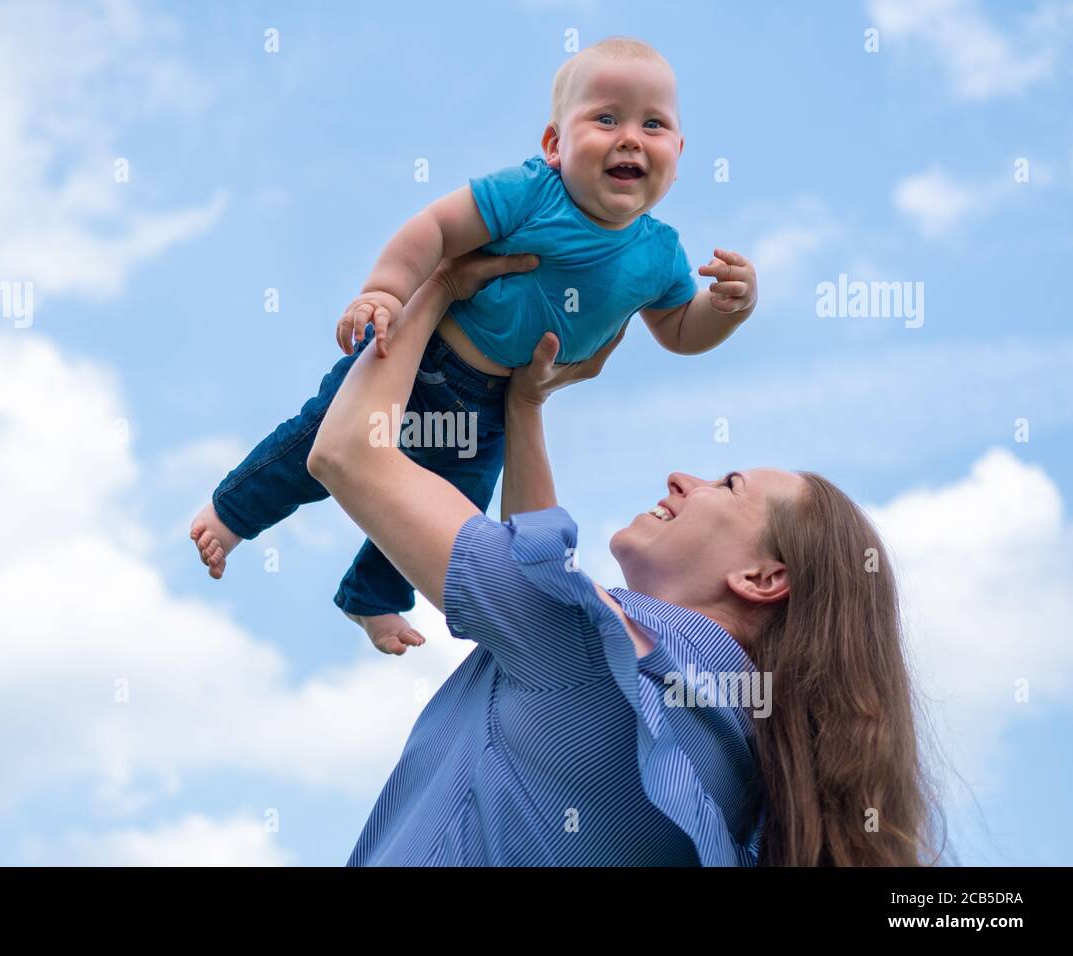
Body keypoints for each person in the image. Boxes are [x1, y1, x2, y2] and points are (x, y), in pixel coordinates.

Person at [305, 250, 946, 866]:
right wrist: (525, 406)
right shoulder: (742, 768)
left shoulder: (589, 646)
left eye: (727, 486)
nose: (680, 479)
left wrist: (436, 285)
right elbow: (545, 598)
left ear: (762, 578)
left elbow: (348, 453)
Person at [190, 36, 759, 653]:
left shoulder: (661, 254)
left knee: (452, 505)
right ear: (553, 146)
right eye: (605, 118)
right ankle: (232, 514)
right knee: (318, 442)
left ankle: (371, 596)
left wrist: (727, 309)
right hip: (421, 357)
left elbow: (679, 331)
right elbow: (434, 228)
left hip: (490, 405)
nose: (630, 137)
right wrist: (385, 292)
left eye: (654, 124)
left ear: (678, 151)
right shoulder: (533, 191)